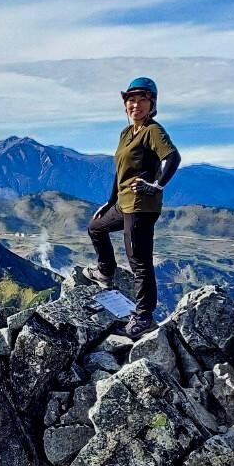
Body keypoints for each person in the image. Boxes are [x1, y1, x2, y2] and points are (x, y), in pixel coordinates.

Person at [85, 77, 181, 338]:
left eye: (141, 100)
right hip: (123, 202)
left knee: (139, 261)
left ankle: (144, 316)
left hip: (141, 207)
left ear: (152, 104)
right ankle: (105, 271)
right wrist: (110, 200)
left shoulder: (153, 131)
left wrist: (157, 186)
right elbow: (120, 171)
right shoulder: (126, 133)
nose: (135, 105)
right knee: (96, 227)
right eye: (131, 100)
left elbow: (172, 157)